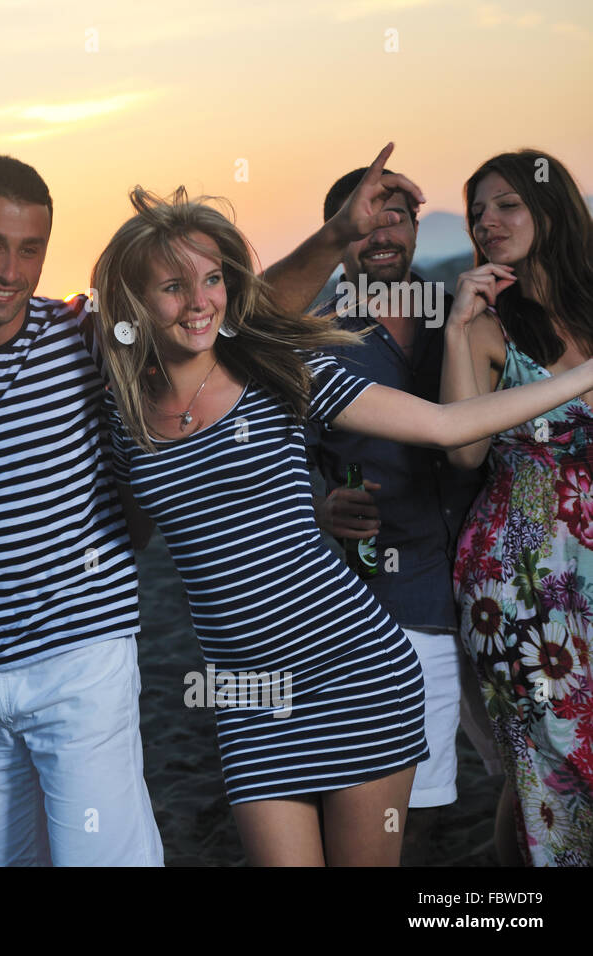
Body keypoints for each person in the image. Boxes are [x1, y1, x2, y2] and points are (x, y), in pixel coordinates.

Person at [0, 148, 406, 866]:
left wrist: (334, 237)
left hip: (84, 651)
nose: (10, 272)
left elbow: (226, 319)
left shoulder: (83, 339)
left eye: (30, 250)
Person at [91, 154, 593, 865]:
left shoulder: (278, 369)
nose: (200, 301)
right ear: (138, 301)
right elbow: (128, 530)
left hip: (354, 669)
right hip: (248, 700)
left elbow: (450, 427)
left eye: (212, 281)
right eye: (173, 287)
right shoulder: (121, 412)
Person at [305, 167, 499, 863]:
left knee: (527, 774)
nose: (383, 233)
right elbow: (267, 463)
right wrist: (320, 506)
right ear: (339, 237)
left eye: (398, 217)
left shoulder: (463, 314)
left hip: (494, 588)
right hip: (397, 603)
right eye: (367, 220)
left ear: (418, 228)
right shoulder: (312, 343)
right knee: (411, 806)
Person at [441, 149, 593, 867]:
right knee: (542, 760)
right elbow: (463, 452)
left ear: (551, 210)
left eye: (506, 204)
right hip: (520, 577)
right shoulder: (487, 329)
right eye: (477, 212)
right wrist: (453, 329)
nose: (487, 222)